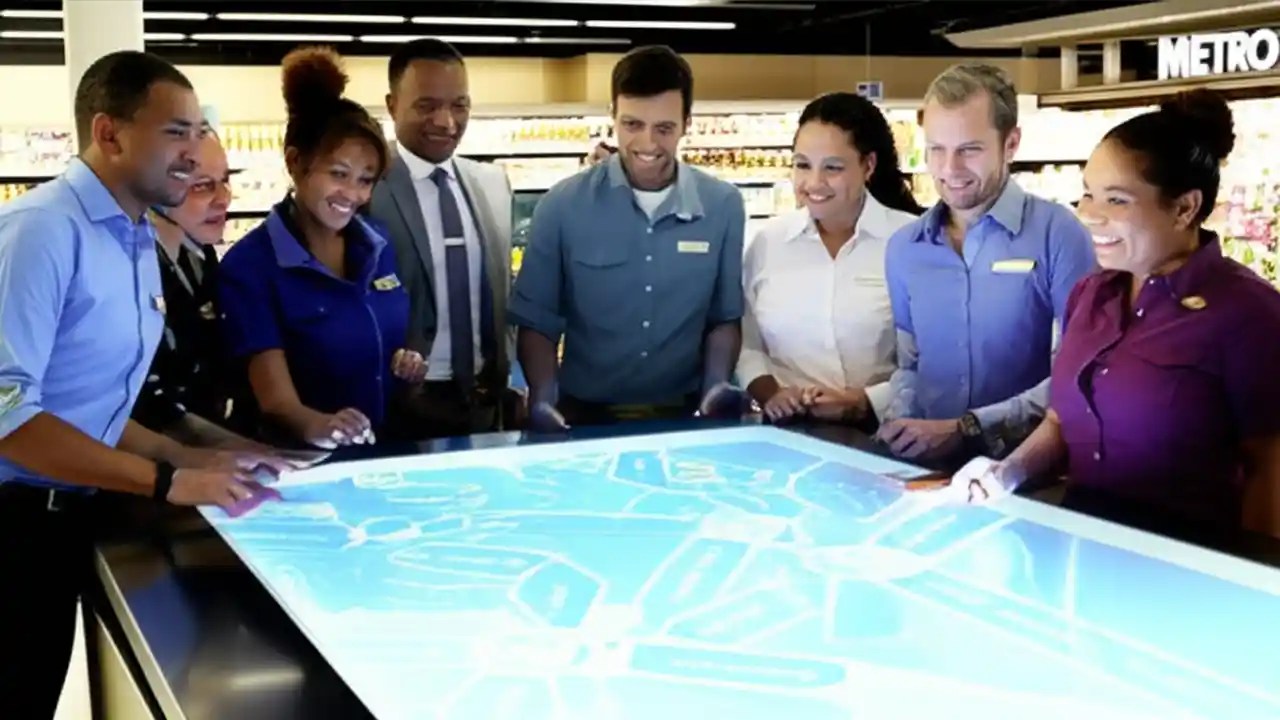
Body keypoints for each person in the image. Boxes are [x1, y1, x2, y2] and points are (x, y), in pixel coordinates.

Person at [0, 50, 284, 718]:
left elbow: (86, 403)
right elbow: (10, 415)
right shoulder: (42, 233)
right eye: (175, 133)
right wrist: (168, 481)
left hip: (64, 526)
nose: (192, 154)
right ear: (109, 134)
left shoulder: (128, 237)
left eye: (197, 131)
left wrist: (187, 456)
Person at [956, 90, 1280, 539]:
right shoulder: (1090, 295)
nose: (1088, 214)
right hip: (1083, 547)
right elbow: (1060, 419)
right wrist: (1006, 473)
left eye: (1116, 201)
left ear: (1185, 207)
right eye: (1087, 194)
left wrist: (1258, 579)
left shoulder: (1248, 313)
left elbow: (1269, 462)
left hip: (1192, 567)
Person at [509, 45, 748, 430]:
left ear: (687, 122)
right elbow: (538, 320)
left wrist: (716, 384)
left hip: (683, 417)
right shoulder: (562, 205)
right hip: (581, 415)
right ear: (613, 117)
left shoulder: (723, 206)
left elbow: (724, 317)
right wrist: (542, 396)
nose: (648, 144)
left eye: (664, 128)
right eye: (632, 125)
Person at [876, 64, 1096, 465]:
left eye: (969, 150)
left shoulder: (1058, 235)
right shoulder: (904, 249)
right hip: (924, 471)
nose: (949, 169)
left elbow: (1081, 373)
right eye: (936, 149)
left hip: (1026, 474)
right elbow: (910, 364)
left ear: (1011, 144)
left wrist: (969, 428)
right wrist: (901, 420)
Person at [217, 47, 427, 449]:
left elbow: (382, 351)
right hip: (293, 467)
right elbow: (277, 403)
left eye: (366, 179)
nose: (353, 194)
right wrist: (322, 426)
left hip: (381, 457)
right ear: (295, 162)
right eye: (338, 174)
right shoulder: (250, 267)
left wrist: (406, 368)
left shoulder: (378, 246)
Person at [738, 92, 923, 427]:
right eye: (802, 165)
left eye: (833, 168)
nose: (813, 183)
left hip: (889, 434)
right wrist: (772, 395)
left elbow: (937, 359)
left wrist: (865, 402)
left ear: (868, 165)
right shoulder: (768, 243)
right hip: (786, 436)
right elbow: (747, 344)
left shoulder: (911, 241)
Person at [368, 38, 516, 438]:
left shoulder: (494, 184)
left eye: (459, 105)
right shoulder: (366, 190)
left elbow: (505, 292)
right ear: (392, 105)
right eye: (427, 106)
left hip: (485, 402)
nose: (447, 122)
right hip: (398, 408)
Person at [131, 126, 254, 446]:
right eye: (202, 187)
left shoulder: (199, 256)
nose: (224, 198)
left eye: (225, 180)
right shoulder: (128, 273)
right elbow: (142, 406)